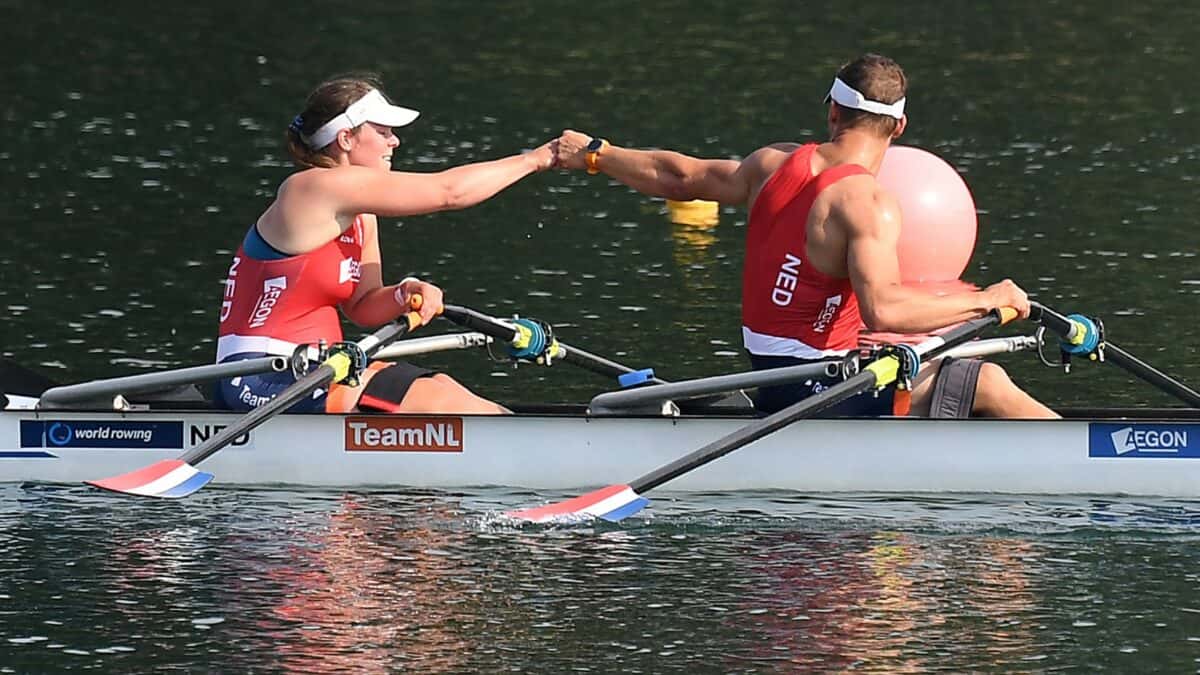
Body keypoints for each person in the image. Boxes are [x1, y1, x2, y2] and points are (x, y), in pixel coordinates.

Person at [555, 53, 1057, 419]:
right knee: (986, 382)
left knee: (928, 361)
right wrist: (989, 300)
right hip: (814, 390)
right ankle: (1084, 463)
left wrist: (597, 154)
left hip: (776, 376)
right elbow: (885, 311)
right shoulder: (867, 203)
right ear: (899, 127)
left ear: (833, 112)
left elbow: (680, 178)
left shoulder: (771, 163)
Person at [214, 74, 557, 414]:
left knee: (443, 386)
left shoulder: (362, 216)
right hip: (259, 375)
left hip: (324, 367)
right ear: (346, 138)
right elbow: (449, 192)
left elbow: (362, 306)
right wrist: (539, 158)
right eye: (383, 132)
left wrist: (404, 292)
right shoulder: (310, 189)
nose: (395, 142)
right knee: (436, 401)